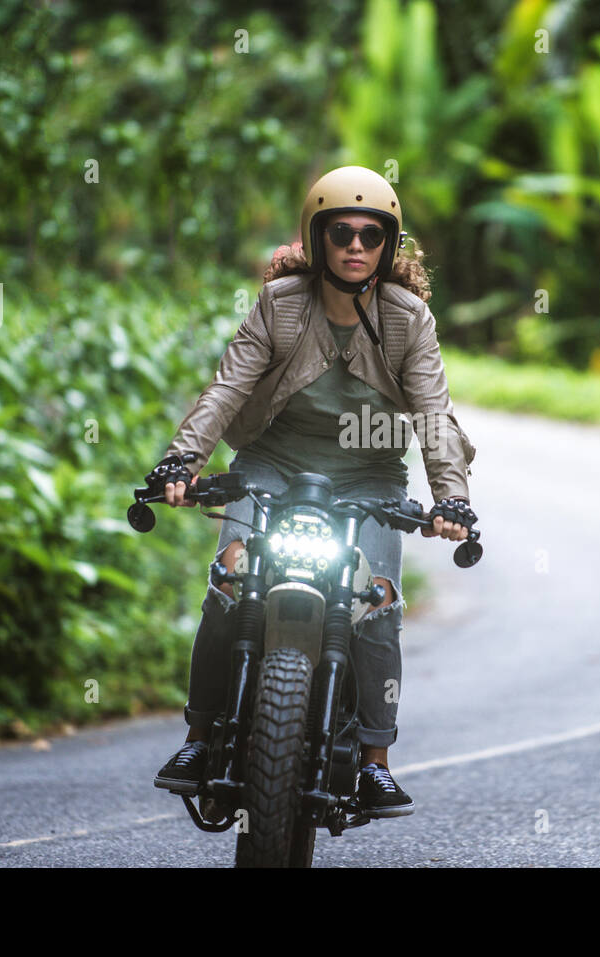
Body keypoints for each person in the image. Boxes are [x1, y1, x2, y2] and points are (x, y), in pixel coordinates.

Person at [152, 165, 478, 816]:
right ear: (316, 236)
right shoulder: (280, 304)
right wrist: (181, 461)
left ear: (387, 245)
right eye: (341, 232)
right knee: (228, 579)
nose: (356, 246)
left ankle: (375, 760)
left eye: (371, 234)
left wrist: (452, 498)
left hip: (369, 477)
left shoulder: (409, 319)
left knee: (376, 604)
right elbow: (227, 388)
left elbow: (435, 414)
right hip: (272, 462)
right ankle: (197, 736)